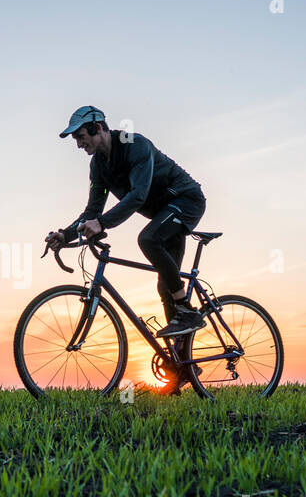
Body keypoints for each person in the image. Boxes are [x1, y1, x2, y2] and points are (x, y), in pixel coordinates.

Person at [47, 105, 207, 337]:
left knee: (148, 239)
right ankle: (181, 366)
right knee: (165, 286)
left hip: (186, 201)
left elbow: (138, 195)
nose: (79, 145)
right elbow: (93, 209)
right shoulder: (99, 165)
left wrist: (102, 224)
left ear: (97, 127)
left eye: (80, 137)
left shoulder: (134, 144)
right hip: (163, 215)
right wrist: (66, 235)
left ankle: (187, 311)